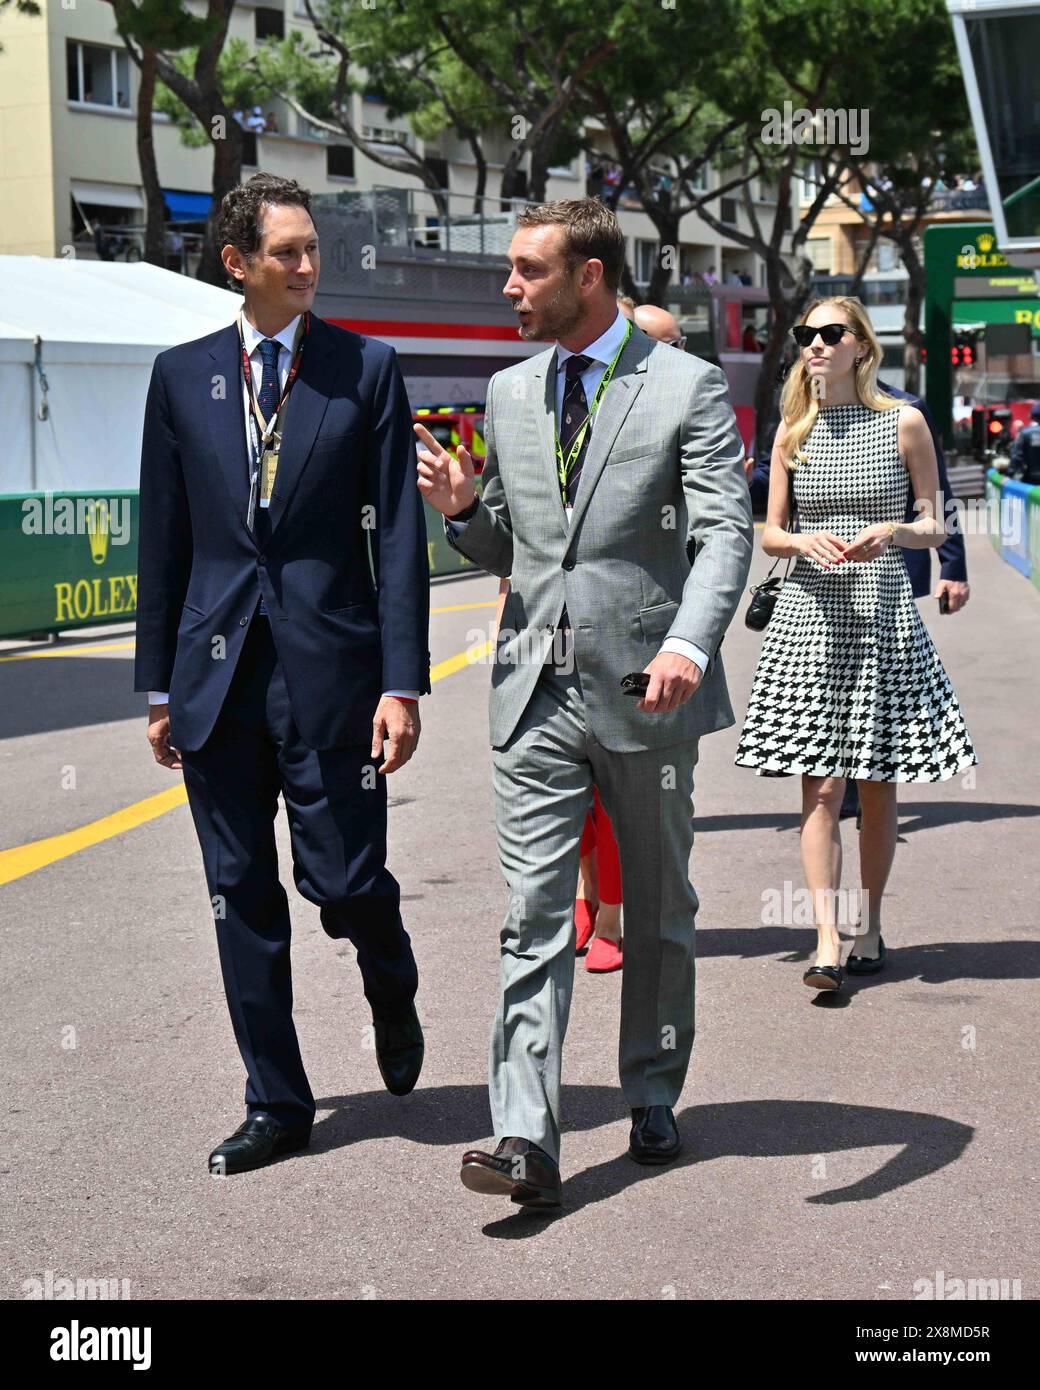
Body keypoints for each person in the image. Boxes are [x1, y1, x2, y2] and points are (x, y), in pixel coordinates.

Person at [417, 197, 753, 1208]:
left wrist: (691, 642)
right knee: (532, 914)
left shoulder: (684, 386)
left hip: (647, 687)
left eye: (526, 270)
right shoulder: (509, 390)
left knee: (652, 910)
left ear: (588, 277)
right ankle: (524, 1135)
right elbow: (518, 551)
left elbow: (723, 535)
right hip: (532, 689)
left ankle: (652, 1085)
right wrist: (464, 512)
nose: (509, 288)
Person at [134, 173, 430, 1175]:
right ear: (236, 263)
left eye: (313, 249)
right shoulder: (180, 378)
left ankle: (388, 973)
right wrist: (158, 686)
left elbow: (397, 535)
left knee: (342, 880)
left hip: (332, 676)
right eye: (288, 252)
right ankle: (277, 1101)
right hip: (214, 679)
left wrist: (402, 683)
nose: (309, 266)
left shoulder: (365, 369)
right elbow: (163, 542)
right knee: (240, 895)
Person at [734, 297, 977, 990]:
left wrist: (894, 533)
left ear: (861, 347)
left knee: (874, 784)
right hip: (809, 617)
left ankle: (869, 923)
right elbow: (769, 530)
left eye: (829, 334)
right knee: (819, 786)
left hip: (881, 613)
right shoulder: (790, 429)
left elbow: (936, 522)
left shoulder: (904, 422)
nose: (814, 345)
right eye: (806, 335)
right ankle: (826, 939)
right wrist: (799, 539)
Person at [1009, 403, 1040, 485]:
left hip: (1032, 479)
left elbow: (1017, 456)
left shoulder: (1025, 433)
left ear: (1031, 416)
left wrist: (1010, 474)